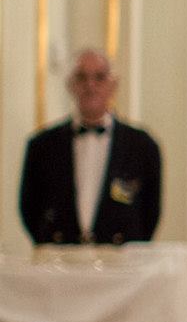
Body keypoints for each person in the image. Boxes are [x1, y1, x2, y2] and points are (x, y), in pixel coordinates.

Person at [18, 49, 162, 246]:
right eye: (81, 77)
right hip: (58, 263)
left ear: (113, 85)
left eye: (99, 77)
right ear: (70, 85)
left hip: (120, 264)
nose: (90, 85)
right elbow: (30, 207)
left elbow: (149, 212)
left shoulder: (142, 146)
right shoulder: (42, 146)